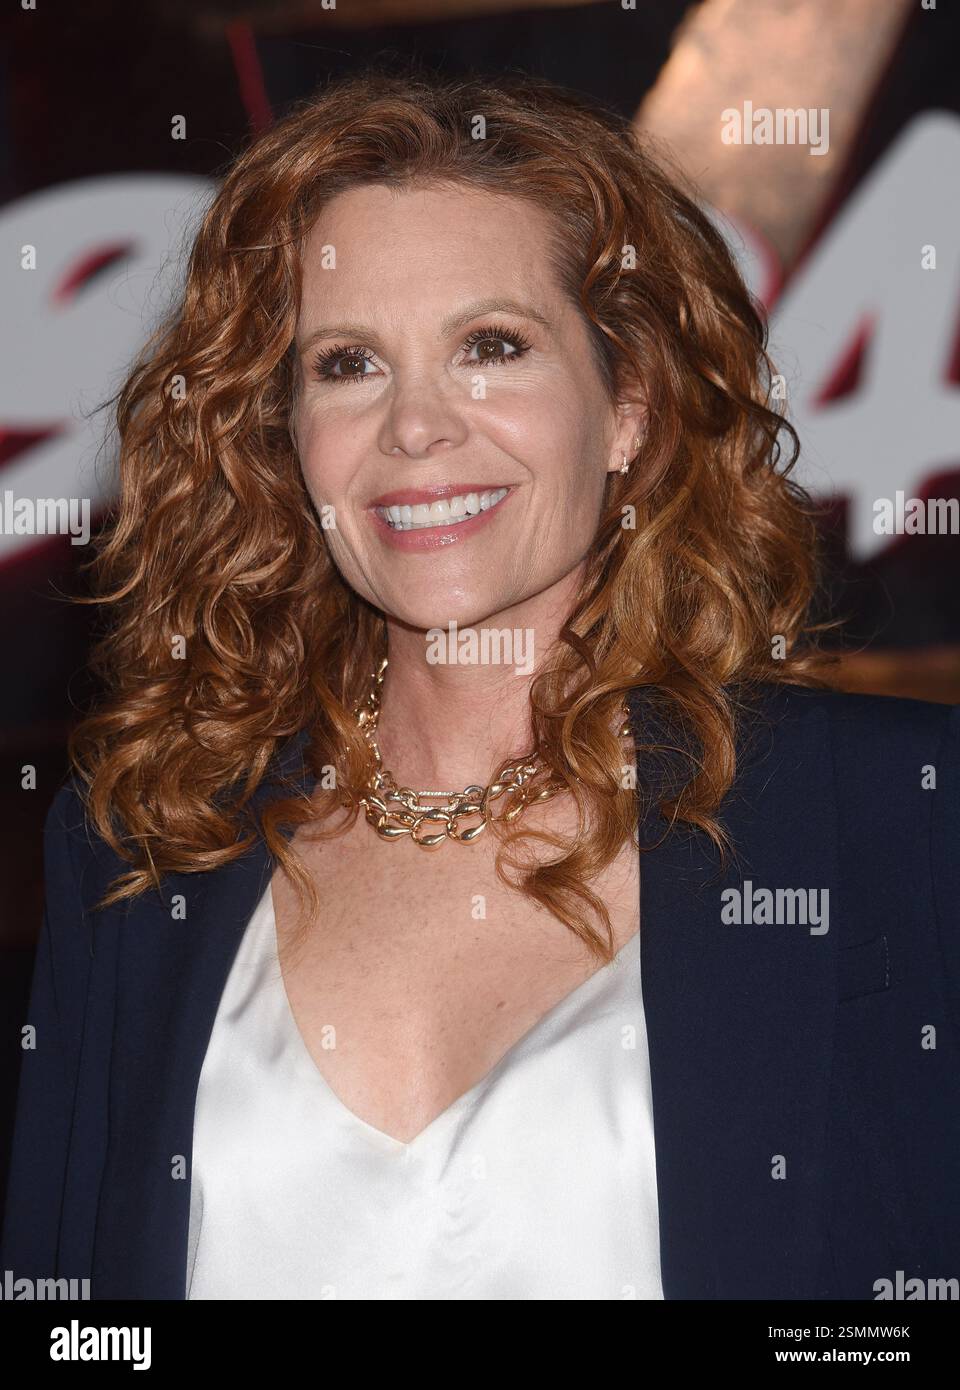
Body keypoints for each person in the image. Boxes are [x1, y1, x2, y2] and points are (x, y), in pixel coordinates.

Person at [2, 66, 958, 1302]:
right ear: (286, 437)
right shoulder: (140, 845)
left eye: (491, 346)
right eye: (347, 364)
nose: (415, 428)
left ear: (629, 409)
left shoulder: (898, 821)